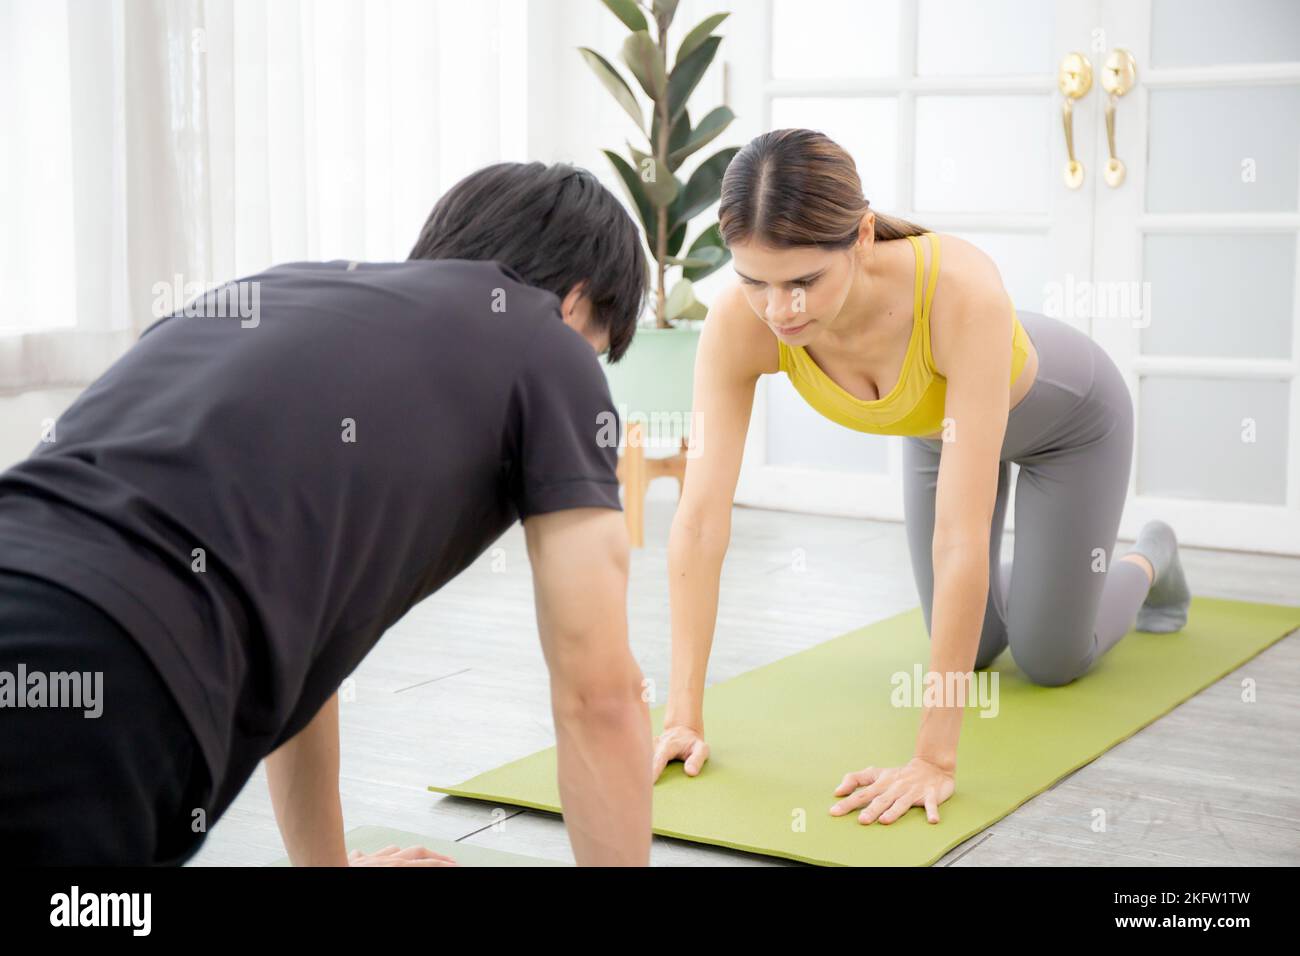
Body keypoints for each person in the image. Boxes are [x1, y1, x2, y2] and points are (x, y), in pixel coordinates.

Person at [0, 161, 653, 866]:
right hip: (105, 673)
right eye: (597, 347)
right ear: (580, 298)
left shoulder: (267, 291)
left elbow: (304, 655)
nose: (589, 367)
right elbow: (599, 697)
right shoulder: (545, 343)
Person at [653, 128, 1192, 826]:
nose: (779, 310)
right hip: (941, 431)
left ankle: (1154, 557)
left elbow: (959, 539)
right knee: (976, 649)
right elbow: (698, 521)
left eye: (804, 282)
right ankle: (1043, 581)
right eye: (755, 281)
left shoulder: (959, 287)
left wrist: (933, 760)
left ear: (862, 235)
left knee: (1050, 657)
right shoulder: (741, 321)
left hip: (1070, 427)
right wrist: (681, 717)